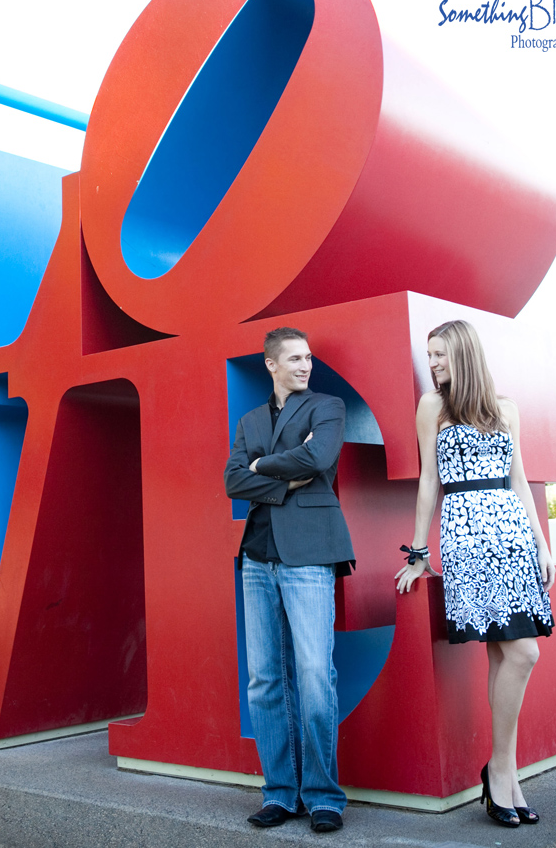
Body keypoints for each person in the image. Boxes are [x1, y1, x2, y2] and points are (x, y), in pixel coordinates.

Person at [396, 319, 555, 828]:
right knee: (521, 651)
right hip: (466, 538)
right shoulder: (431, 407)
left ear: (463, 355)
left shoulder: (505, 408)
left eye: (440, 355)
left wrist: (540, 543)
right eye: (430, 355)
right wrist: (418, 552)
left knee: (509, 654)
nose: (433, 364)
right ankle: (504, 770)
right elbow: (428, 483)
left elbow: (520, 480)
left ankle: (501, 774)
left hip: (511, 535)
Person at [224, 327, 355, 834]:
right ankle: (280, 793)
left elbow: (318, 459)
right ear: (271, 364)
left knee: (315, 677)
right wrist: (283, 477)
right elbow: (232, 481)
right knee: (264, 680)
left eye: (308, 357)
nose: (305, 365)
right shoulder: (250, 419)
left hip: (309, 553)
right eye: (295, 359)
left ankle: (324, 796)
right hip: (258, 557)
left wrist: (261, 466)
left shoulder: (327, 406)